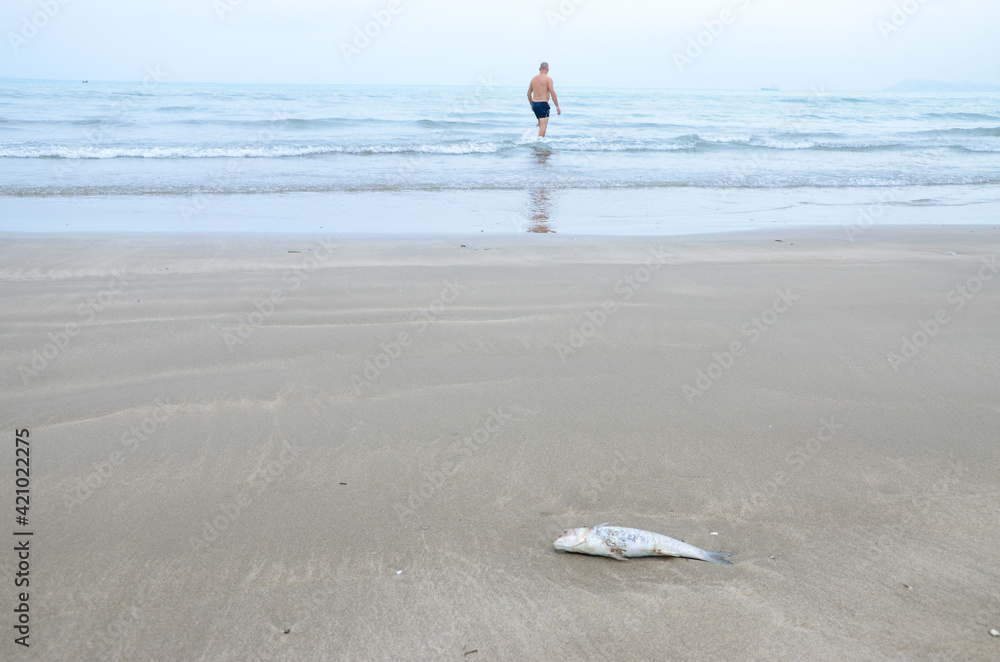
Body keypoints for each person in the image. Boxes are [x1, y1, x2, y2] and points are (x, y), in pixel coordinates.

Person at [527, 62, 561, 137]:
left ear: (539, 69)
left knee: (540, 123)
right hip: (543, 104)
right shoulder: (548, 79)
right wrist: (557, 106)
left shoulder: (534, 79)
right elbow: (552, 93)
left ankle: (531, 137)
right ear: (548, 69)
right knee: (543, 127)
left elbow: (528, 93)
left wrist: (531, 104)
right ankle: (540, 146)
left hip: (535, 104)